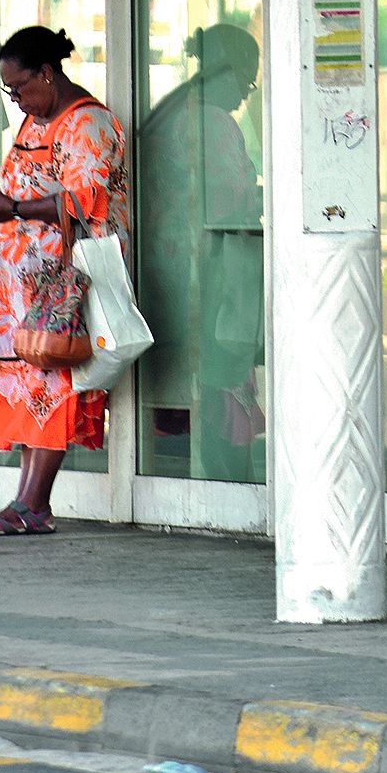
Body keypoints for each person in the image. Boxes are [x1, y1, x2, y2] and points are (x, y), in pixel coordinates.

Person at [0, 25, 129, 536]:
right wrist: (6, 210)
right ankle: (24, 501)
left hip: (62, 287)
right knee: (27, 386)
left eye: (19, 88)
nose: (16, 101)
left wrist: (17, 207)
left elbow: (88, 201)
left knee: (53, 383)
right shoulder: (36, 122)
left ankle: (34, 505)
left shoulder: (87, 123)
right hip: (22, 288)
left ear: (47, 73)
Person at [139, 24, 265, 480]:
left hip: (167, 265)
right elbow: (232, 202)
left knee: (185, 382)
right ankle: (230, 482)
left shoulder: (172, 109)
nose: (248, 92)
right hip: (209, 271)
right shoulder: (214, 121)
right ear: (225, 70)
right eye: (247, 78)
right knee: (221, 378)